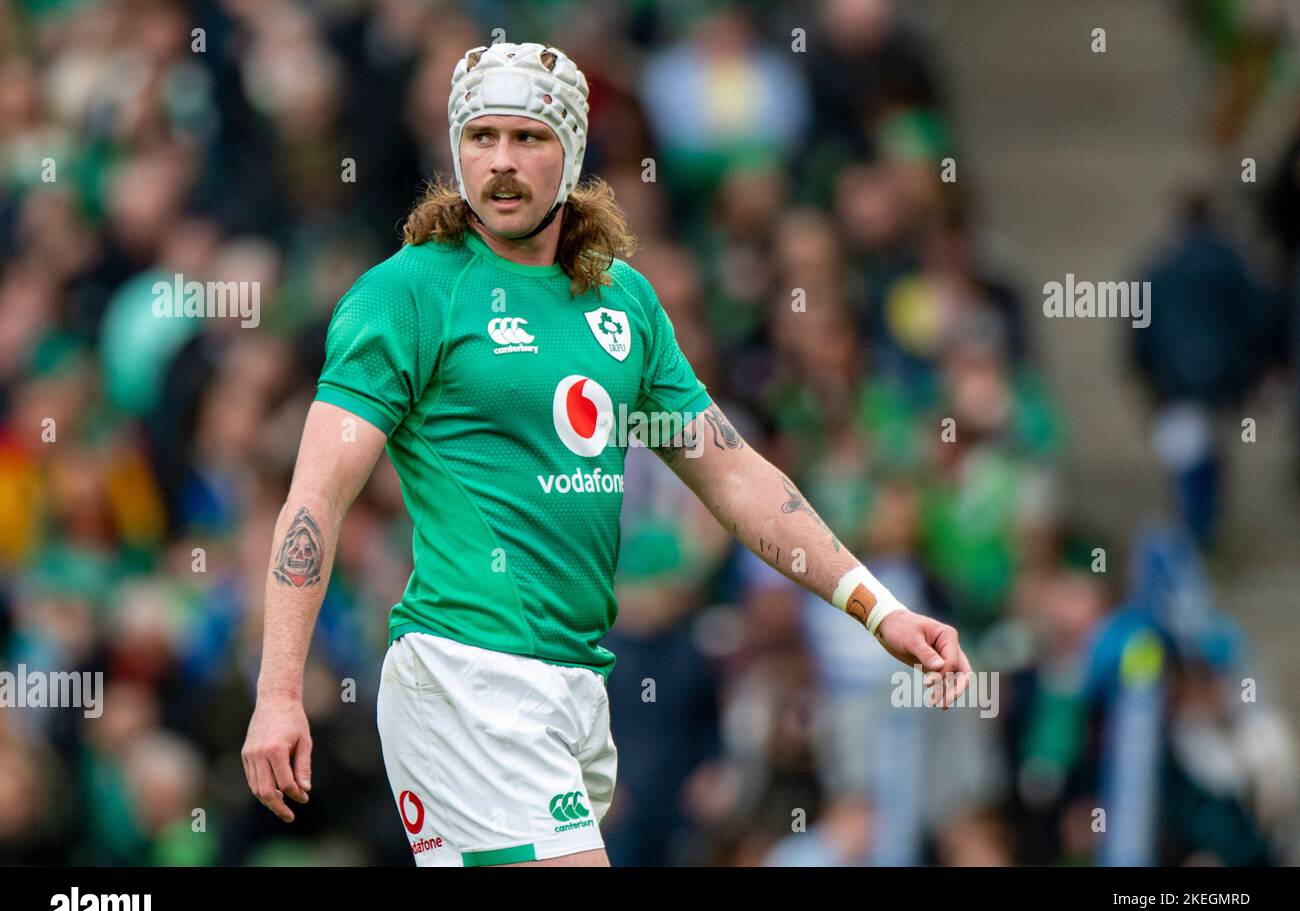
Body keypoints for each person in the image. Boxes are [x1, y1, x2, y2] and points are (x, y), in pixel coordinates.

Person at [240, 41, 971, 868]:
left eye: (529, 138)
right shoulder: (407, 294)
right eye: (481, 138)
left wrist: (878, 606)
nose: (503, 163)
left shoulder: (623, 301)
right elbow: (316, 494)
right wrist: (277, 691)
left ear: (574, 151)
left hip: (576, 683)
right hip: (468, 674)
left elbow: (733, 476)